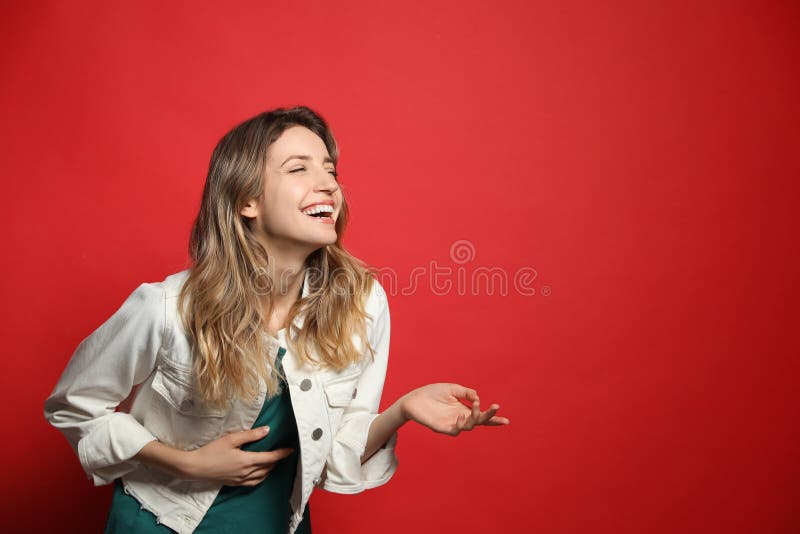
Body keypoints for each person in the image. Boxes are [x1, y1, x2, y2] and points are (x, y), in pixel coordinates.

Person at [44, 106, 510, 534]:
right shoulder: (167, 306)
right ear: (248, 200)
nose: (328, 182)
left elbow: (335, 461)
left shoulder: (363, 303)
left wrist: (401, 410)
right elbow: (73, 407)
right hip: (159, 521)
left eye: (330, 169)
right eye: (299, 169)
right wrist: (186, 464)